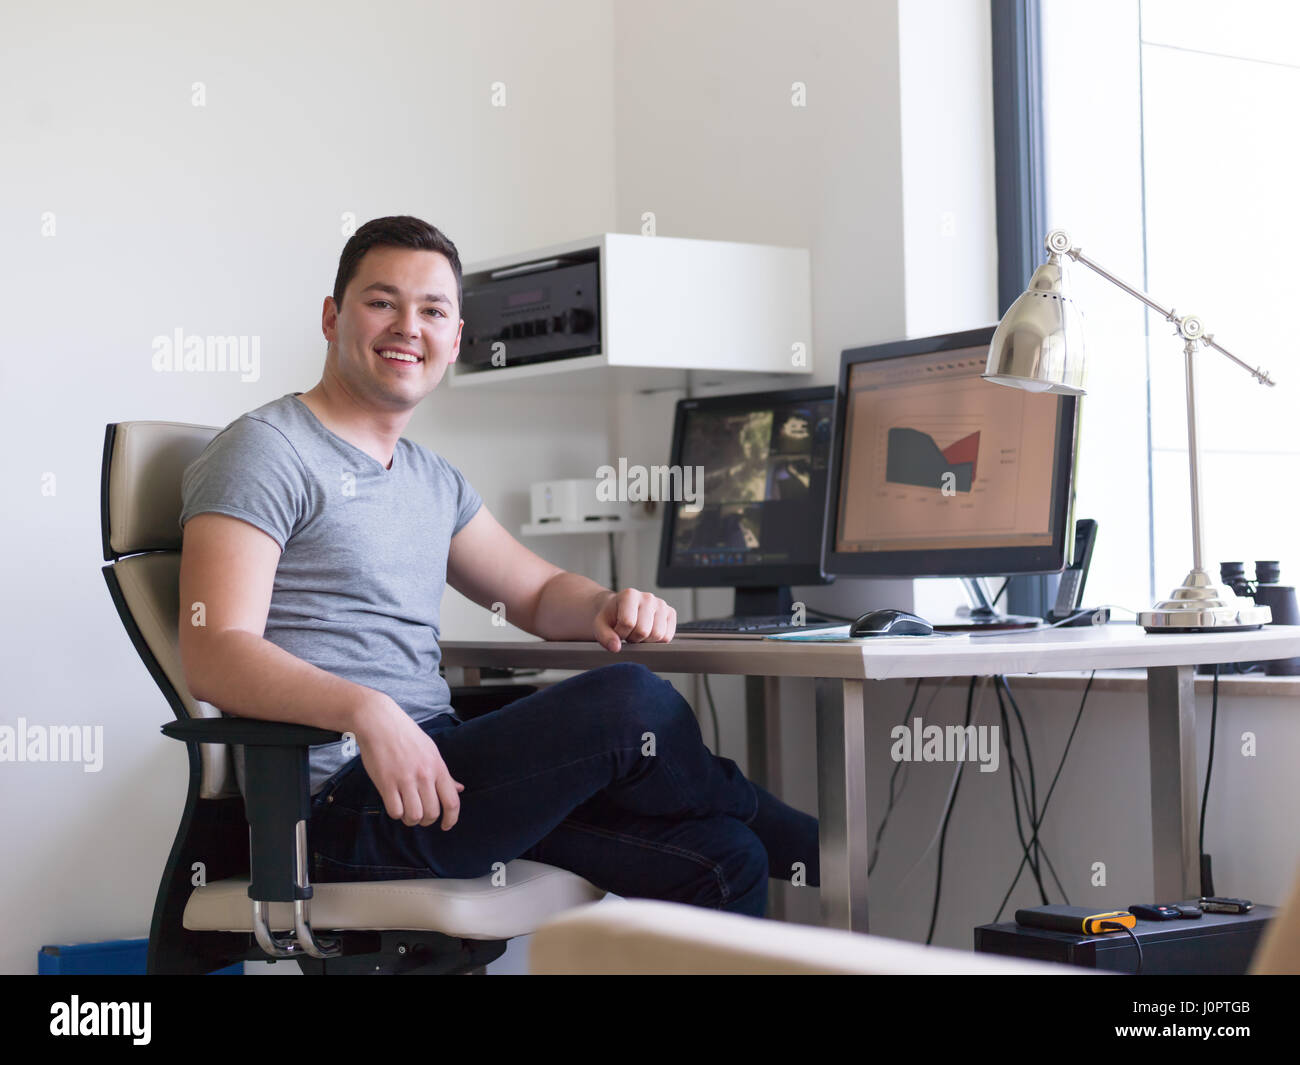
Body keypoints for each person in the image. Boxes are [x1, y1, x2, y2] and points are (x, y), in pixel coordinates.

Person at [177, 215, 818, 918]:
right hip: (336, 806)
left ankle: (761, 832)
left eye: (432, 311)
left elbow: (536, 594)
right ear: (332, 318)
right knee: (629, 701)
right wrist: (366, 710)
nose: (407, 327)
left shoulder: (431, 478)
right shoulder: (266, 451)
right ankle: (807, 841)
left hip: (442, 775)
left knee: (725, 857)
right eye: (382, 302)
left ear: (454, 339)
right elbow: (214, 651)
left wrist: (604, 605)